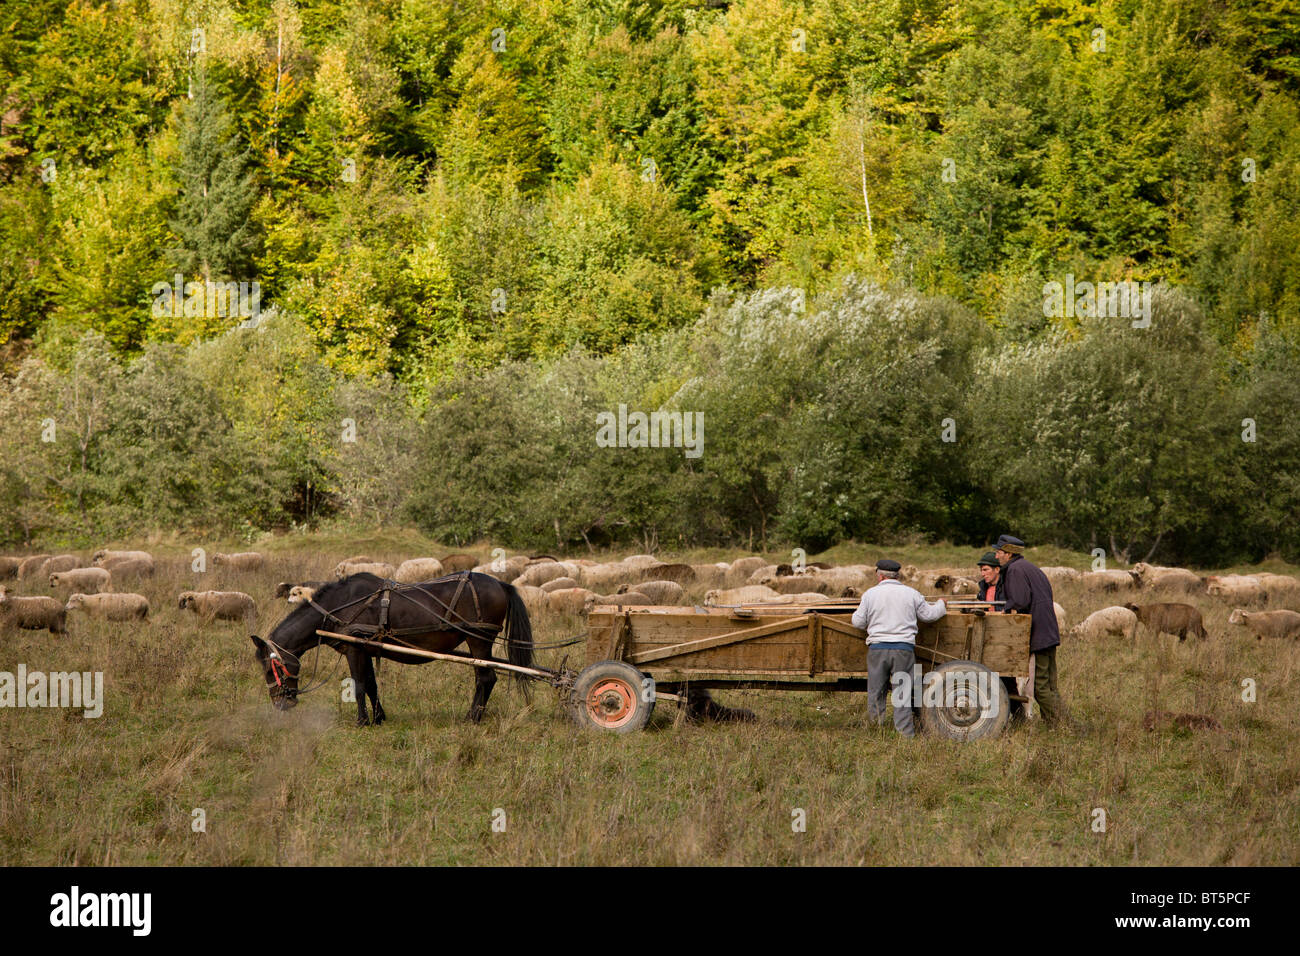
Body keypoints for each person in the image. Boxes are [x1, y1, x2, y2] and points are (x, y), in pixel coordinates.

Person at [851, 558, 947, 738]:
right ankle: (905, 733)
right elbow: (929, 615)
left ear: (880, 576)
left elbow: (858, 622)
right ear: (897, 575)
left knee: (876, 691)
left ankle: (875, 730)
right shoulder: (911, 593)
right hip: (903, 649)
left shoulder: (870, 594)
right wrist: (941, 604)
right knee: (902, 692)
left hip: (878, 648)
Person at [994, 534, 1063, 725]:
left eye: (999, 552)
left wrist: (1005, 610)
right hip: (1048, 632)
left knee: (1040, 688)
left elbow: (1020, 600)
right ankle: (1057, 725)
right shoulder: (1030, 567)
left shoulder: (1015, 570)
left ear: (1008, 554)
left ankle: (1063, 725)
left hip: (1038, 634)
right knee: (1050, 686)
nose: (996, 556)